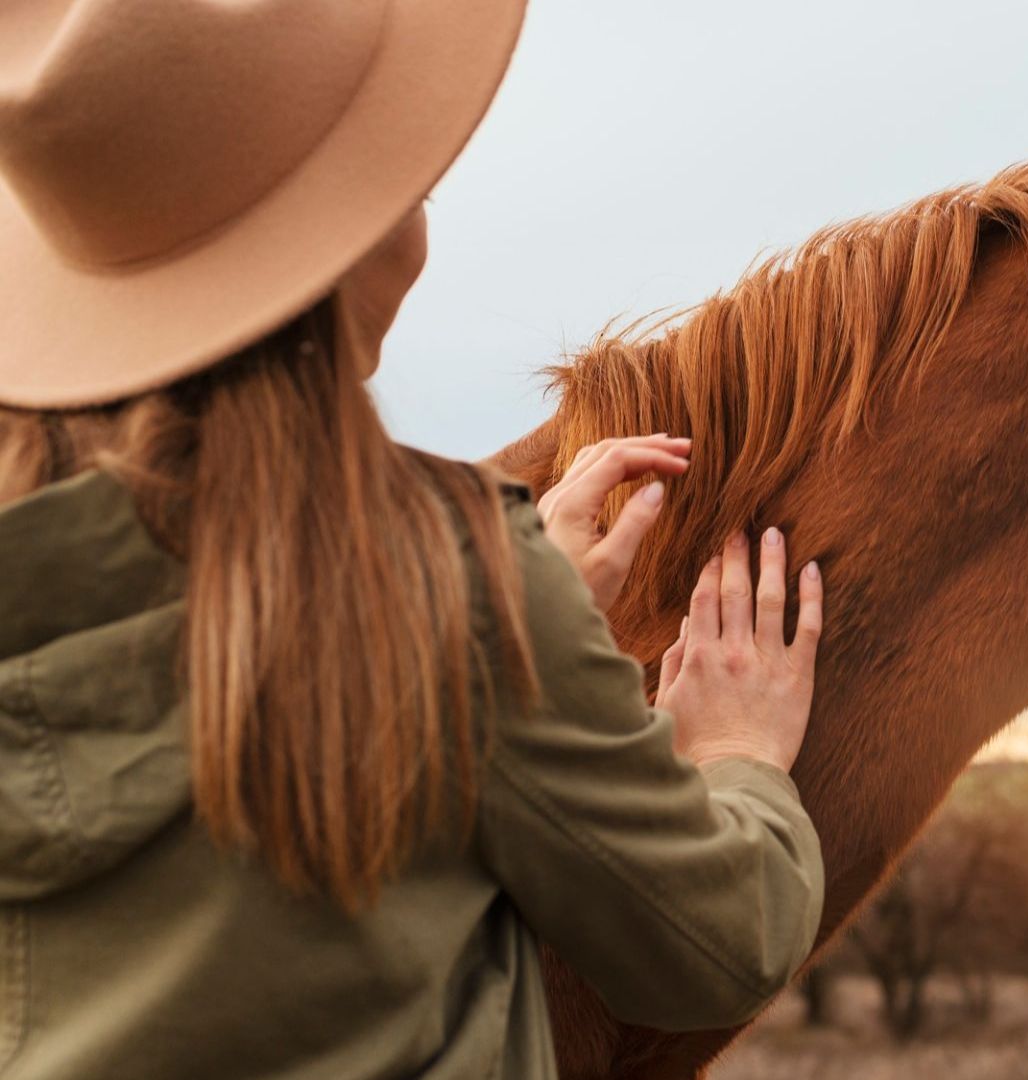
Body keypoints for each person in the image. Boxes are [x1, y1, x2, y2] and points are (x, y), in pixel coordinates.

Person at [0, 1, 825, 1077]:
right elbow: (711, 949)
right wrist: (738, 754)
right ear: (355, 255)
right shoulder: (457, 598)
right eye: (409, 186)